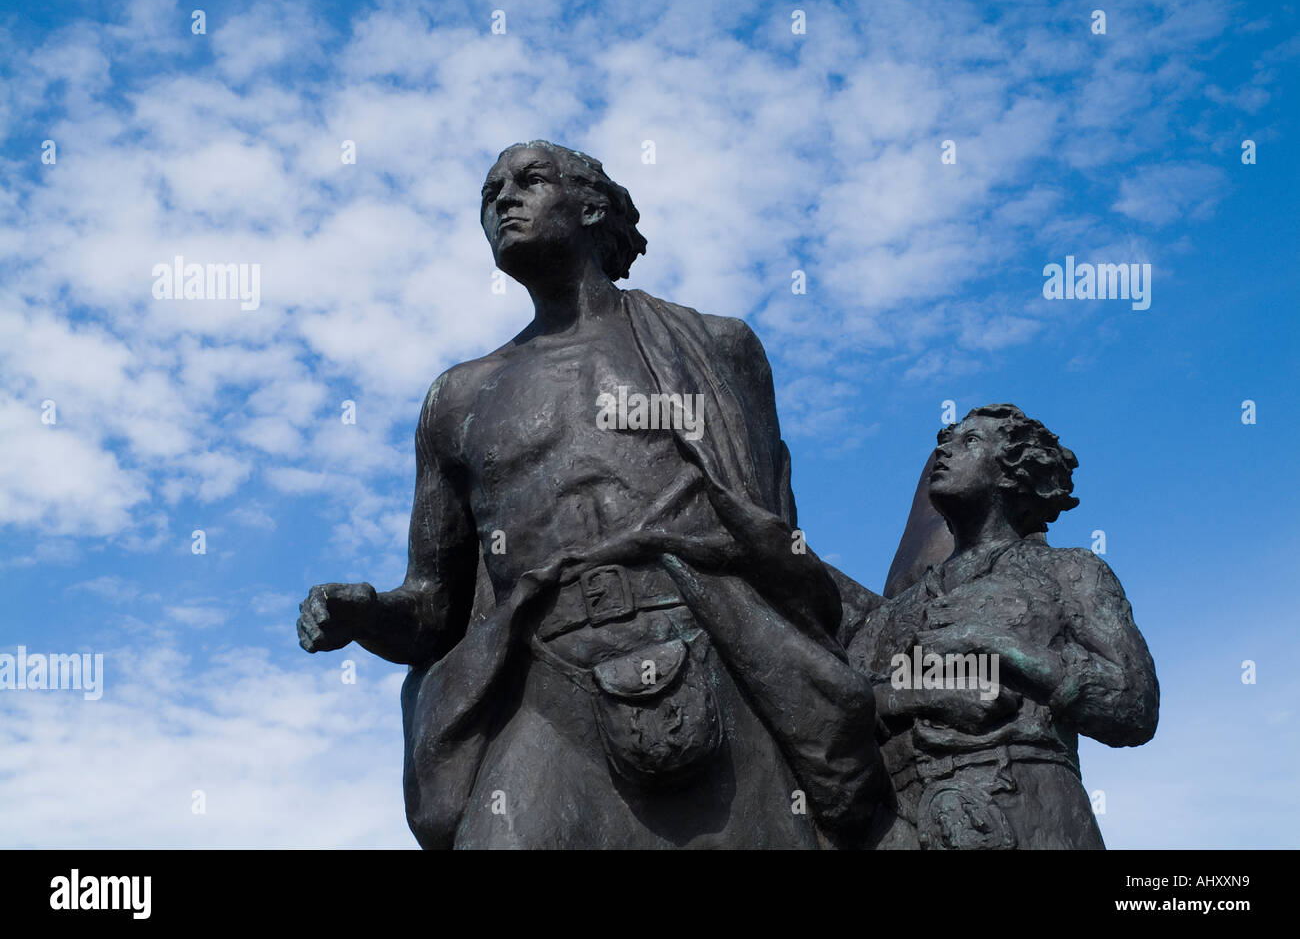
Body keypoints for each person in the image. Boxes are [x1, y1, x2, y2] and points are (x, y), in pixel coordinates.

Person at [298, 140, 887, 848]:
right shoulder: (457, 399)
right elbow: (436, 607)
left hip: (714, 653)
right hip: (547, 689)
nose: (503, 200)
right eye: (490, 193)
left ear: (592, 204)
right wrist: (366, 611)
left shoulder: (718, 345)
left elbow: (774, 533)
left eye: (529, 180)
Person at [846, 404, 1159, 849]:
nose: (945, 452)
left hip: (1031, 812)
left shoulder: (1067, 571)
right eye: (945, 442)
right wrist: (928, 694)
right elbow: (849, 701)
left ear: (1013, 472)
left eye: (969, 442)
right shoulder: (894, 612)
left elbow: (1132, 705)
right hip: (903, 824)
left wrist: (995, 646)